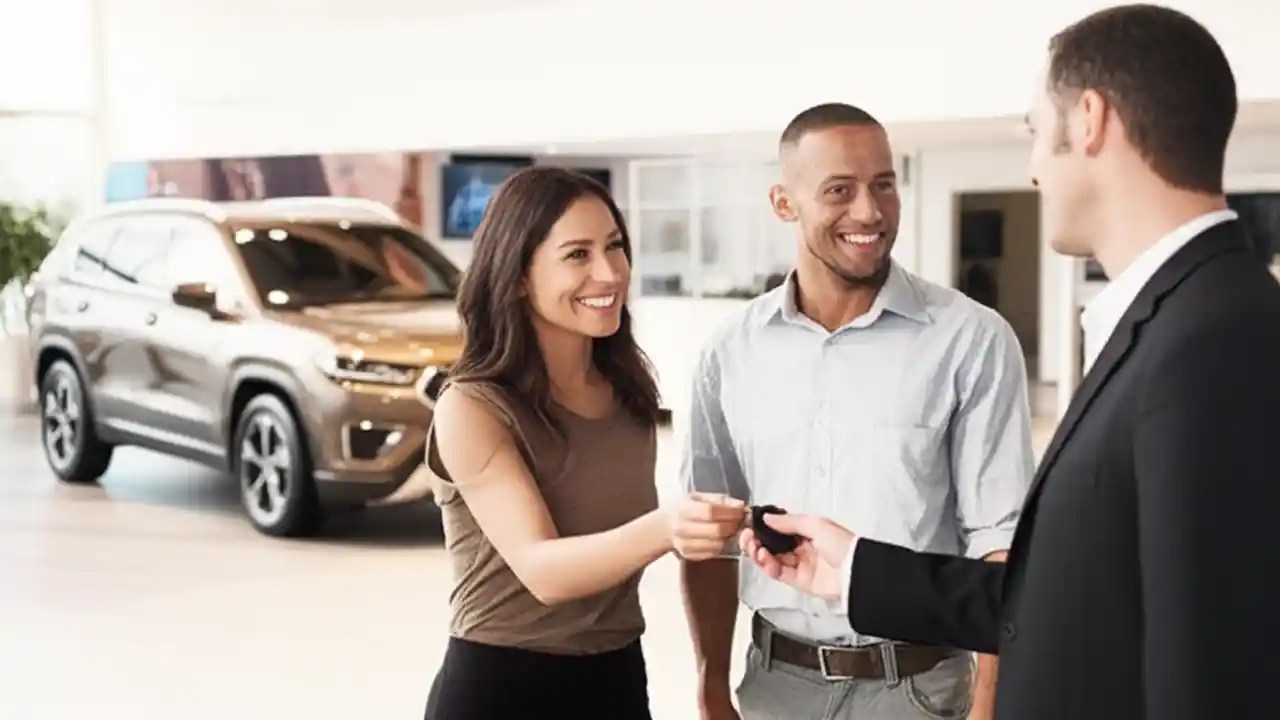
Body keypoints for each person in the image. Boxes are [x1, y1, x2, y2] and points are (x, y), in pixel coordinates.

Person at [740, 6, 1280, 720]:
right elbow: (1081, 594)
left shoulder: (1215, 338)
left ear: (1088, 120)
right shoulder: (1180, 320)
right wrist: (860, 571)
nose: (1031, 171)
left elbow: (1214, 663)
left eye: (1033, 132)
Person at [680, 103, 1036, 720]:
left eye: (883, 186)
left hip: (919, 691)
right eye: (838, 191)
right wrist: (711, 684)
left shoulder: (971, 339)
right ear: (784, 202)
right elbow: (709, 537)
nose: (869, 212)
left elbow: (1000, 541)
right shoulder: (729, 351)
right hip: (774, 688)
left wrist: (991, 706)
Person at [422, 167, 748, 719]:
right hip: (501, 688)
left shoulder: (628, 393)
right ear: (519, 274)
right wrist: (667, 527)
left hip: (615, 676)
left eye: (615, 246)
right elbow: (543, 571)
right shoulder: (473, 406)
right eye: (577, 254)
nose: (610, 272)